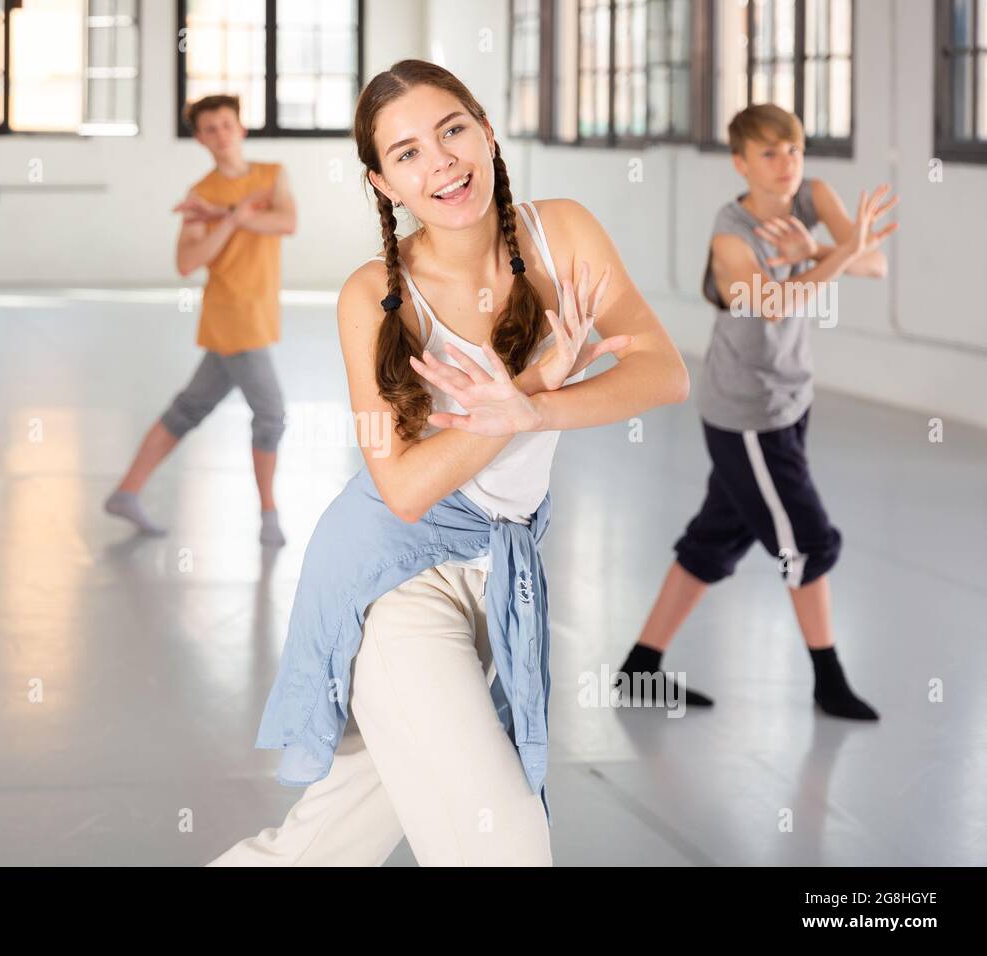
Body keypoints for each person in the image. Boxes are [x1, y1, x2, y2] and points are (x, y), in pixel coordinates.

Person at [208, 60, 689, 866]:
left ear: (486, 129)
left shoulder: (558, 232)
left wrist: (534, 408)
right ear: (383, 183)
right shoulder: (371, 296)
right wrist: (535, 384)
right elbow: (401, 485)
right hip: (396, 585)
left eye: (453, 131)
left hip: (500, 574)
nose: (442, 164)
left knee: (319, 849)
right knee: (504, 846)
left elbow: (662, 372)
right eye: (407, 154)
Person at [616, 103, 897, 719]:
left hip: (791, 397)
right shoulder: (730, 236)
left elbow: (874, 262)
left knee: (714, 537)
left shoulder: (812, 196)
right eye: (769, 153)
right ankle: (829, 681)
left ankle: (640, 670)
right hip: (745, 415)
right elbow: (772, 304)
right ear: (741, 163)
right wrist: (830, 252)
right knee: (807, 541)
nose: (786, 164)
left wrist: (822, 246)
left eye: (794, 149)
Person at [104, 94, 296, 545]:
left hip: (257, 312)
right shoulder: (200, 195)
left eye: (227, 124)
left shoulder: (272, 176)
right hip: (232, 317)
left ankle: (127, 492)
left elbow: (287, 221)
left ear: (241, 128)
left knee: (189, 408)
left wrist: (229, 215)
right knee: (271, 414)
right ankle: (268, 515)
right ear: (200, 139)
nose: (221, 134)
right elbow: (187, 261)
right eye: (211, 129)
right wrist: (233, 219)